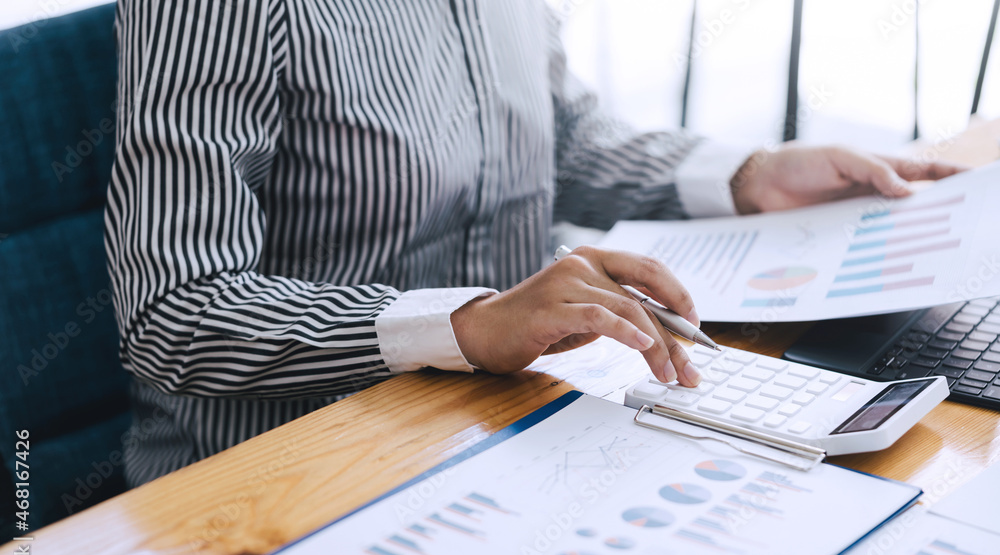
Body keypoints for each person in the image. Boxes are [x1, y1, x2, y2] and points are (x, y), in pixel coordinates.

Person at [105, 0, 962, 486]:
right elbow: (174, 308)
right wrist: (470, 324)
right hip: (280, 473)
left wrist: (750, 175)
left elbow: (562, 134)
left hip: (502, 430)